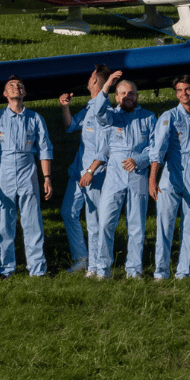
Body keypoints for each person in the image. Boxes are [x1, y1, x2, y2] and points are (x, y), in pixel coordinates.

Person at [82, 72, 157, 279]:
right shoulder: (111, 117)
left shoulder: (148, 117)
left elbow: (155, 147)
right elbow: (97, 111)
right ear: (116, 97)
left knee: (137, 226)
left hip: (138, 174)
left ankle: (133, 270)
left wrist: (140, 160)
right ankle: (103, 269)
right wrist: (106, 86)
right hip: (114, 175)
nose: (127, 96)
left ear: (137, 96)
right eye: (123, 93)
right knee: (106, 222)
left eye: (131, 93)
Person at [149, 70, 190, 280]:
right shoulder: (169, 116)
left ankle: (183, 271)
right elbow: (158, 150)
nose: (184, 94)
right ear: (176, 94)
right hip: (171, 178)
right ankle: (161, 271)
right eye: (179, 91)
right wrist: (152, 179)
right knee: (165, 227)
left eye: (187, 89)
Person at [0, 75, 55, 279]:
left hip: (28, 169)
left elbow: (45, 149)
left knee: (32, 221)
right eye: (11, 86)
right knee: (4, 223)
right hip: (3, 171)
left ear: (25, 93)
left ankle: (37, 269)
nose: (16, 88)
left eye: (20, 86)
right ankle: (6, 268)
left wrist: (46, 177)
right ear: (5, 94)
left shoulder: (35, 118)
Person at [59, 67, 114, 272]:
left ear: (96, 83)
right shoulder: (90, 107)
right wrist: (65, 106)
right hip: (78, 172)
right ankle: (82, 258)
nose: (87, 80)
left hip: (95, 174)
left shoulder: (105, 111)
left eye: (90, 77)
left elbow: (106, 147)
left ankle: (98, 265)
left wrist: (91, 171)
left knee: (95, 221)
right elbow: (71, 126)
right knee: (68, 212)